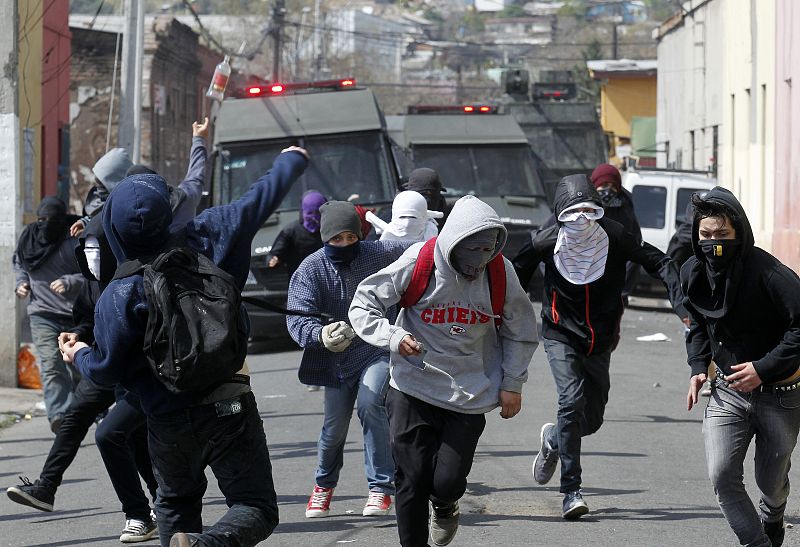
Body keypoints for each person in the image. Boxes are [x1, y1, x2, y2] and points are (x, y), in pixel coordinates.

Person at [60, 146, 309, 547]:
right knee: (255, 506)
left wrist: (78, 354)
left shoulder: (118, 293)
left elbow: (105, 371)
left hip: (166, 420)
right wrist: (292, 159)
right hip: (229, 405)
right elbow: (258, 198)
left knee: (176, 509)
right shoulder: (214, 234)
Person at [349, 195, 538, 547]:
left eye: (488, 249)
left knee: (447, 482)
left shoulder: (499, 272)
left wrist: (513, 382)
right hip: (412, 386)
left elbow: (521, 330)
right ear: (454, 243)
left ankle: (446, 505)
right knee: (411, 478)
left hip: (469, 391)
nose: (480, 259)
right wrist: (393, 336)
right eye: (474, 249)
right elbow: (364, 302)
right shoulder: (419, 261)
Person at [513, 174, 685, 520]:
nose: (581, 220)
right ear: (560, 215)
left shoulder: (616, 236)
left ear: (600, 212)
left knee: (590, 420)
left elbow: (661, 263)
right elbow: (513, 271)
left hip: (601, 338)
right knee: (571, 400)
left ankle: (553, 440)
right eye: (572, 213)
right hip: (560, 332)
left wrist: (682, 307)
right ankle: (571, 491)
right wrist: (501, 318)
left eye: (589, 211)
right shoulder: (547, 241)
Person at [683, 187, 800, 547]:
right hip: (727, 393)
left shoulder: (770, 274)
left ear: (739, 234)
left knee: (771, 483)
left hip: (780, 395)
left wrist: (763, 368)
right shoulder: (694, 272)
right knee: (721, 476)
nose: (713, 244)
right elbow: (700, 324)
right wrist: (698, 365)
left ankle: (773, 516)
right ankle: (757, 542)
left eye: (722, 236)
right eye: (706, 235)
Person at [286, 201, 409, 520]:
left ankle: (381, 488)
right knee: (334, 427)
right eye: (336, 240)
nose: (344, 245)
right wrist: (320, 335)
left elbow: (423, 251)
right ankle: (323, 486)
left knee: (371, 404)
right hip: (336, 358)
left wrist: (458, 238)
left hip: (377, 348)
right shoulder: (311, 269)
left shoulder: (380, 253)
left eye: (350, 239)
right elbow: (297, 317)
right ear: (324, 239)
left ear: (360, 236)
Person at [13, 197, 84, 433]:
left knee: (77, 366)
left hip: (75, 316)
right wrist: (21, 283)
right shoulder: (29, 238)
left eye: (51, 220)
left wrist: (70, 281)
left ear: (62, 219)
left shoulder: (75, 239)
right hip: (42, 314)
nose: (45, 224)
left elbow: (94, 274)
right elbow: (20, 263)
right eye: (41, 219)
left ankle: (86, 407)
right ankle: (60, 416)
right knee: (51, 365)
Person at [590, 163, 642, 302]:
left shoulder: (624, 209)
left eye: (613, 186)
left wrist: (621, 288)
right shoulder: (581, 206)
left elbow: (635, 249)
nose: (608, 190)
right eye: (604, 184)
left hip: (614, 290)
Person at [70, 148, 133, 237]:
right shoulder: (99, 200)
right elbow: (101, 214)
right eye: (97, 182)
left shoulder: (132, 207)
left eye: (102, 184)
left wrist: (91, 231)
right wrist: (86, 222)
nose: (98, 189)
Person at [268, 190, 326, 275]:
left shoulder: (330, 229)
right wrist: (274, 259)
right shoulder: (290, 231)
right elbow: (276, 252)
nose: (313, 217)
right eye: (309, 213)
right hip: (299, 280)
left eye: (317, 212)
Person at [365, 190, 442, 242]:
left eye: (413, 217)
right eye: (402, 217)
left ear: (424, 218)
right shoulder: (381, 247)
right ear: (393, 217)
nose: (407, 223)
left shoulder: (434, 238)